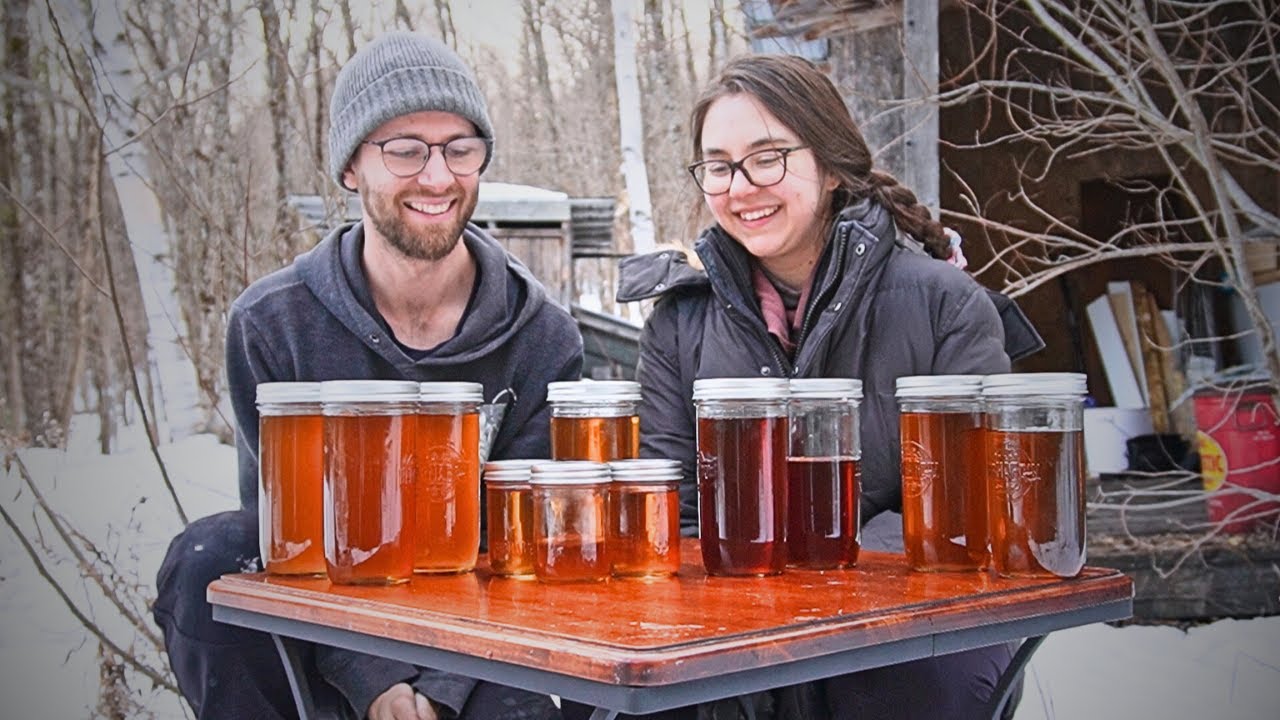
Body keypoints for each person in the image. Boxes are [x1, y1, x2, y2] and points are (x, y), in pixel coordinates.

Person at [591, 54, 1043, 720]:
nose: (741, 187)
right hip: (736, 614)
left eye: (767, 158)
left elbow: (965, 508)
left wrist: (821, 600)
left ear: (831, 167)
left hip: (912, 619)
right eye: (719, 166)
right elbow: (677, 509)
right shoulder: (680, 325)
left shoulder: (944, 304)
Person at [152, 32, 583, 720]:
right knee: (210, 558)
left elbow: (518, 552)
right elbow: (282, 540)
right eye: (405, 150)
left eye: (459, 148)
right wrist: (374, 677)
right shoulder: (275, 325)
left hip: (479, 639)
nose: (437, 177)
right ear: (351, 166)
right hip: (329, 629)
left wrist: (440, 685)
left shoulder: (542, 338)